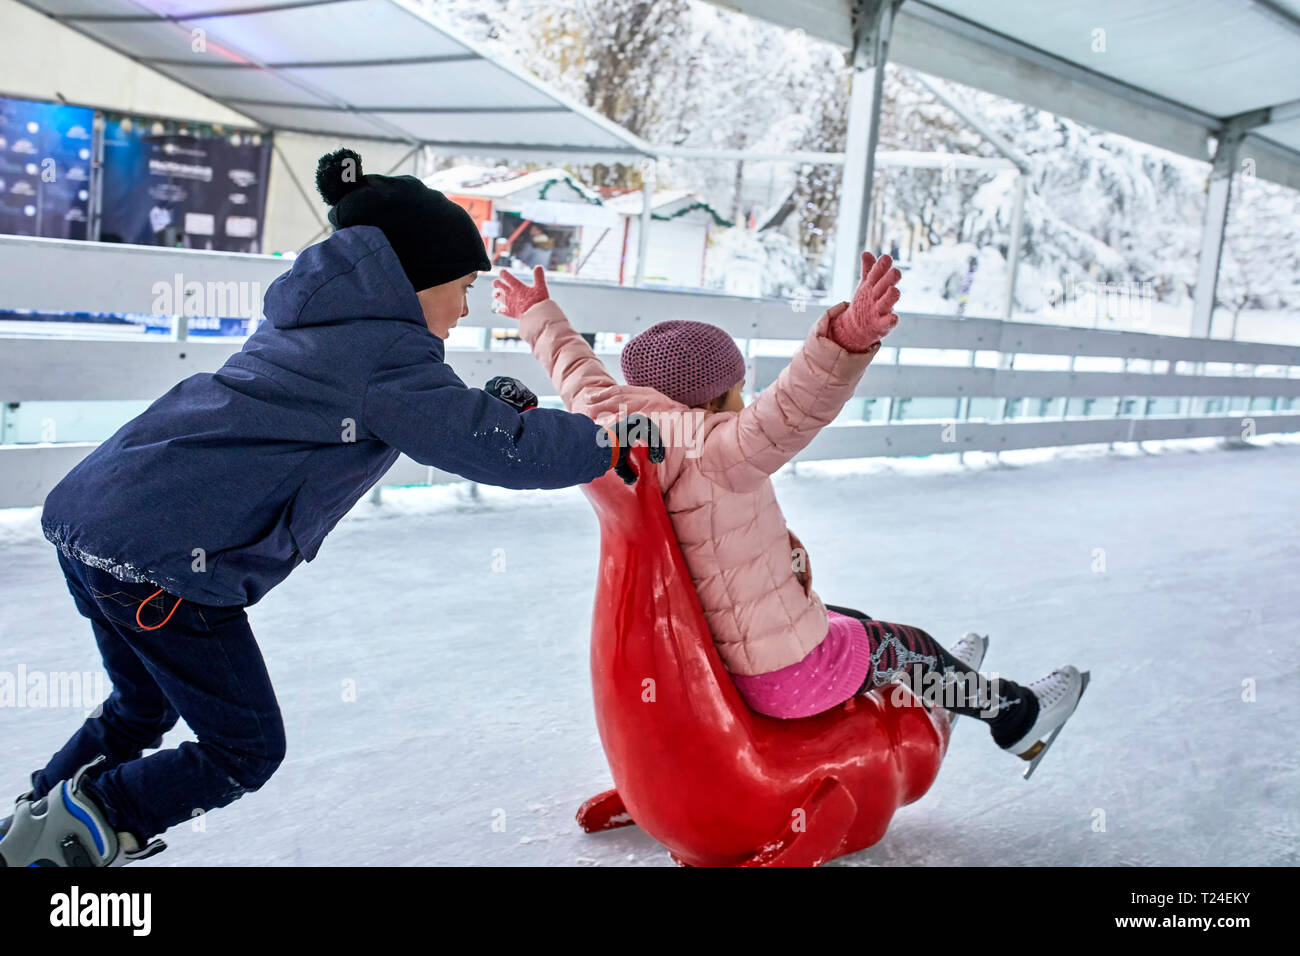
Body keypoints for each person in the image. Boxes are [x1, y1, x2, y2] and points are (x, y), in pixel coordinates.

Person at [0, 148, 658, 868]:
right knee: (243, 747)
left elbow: (409, 417)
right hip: (166, 563)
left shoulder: (315, 324)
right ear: (414, 280)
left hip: (99, 520)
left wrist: (490, 414)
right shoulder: (387, 357)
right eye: (461, 287)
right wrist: (606, 441)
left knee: (141, 709)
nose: (465, 308)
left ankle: (31, 822)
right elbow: (495, 448)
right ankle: (73, 838)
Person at [492, 255, 1085, 763]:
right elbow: (797, 404)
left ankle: (945, 681)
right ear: (723, 394)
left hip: (714, 655)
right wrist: (846, 337)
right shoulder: (719, 446)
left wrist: (535, 315)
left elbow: (575, 368)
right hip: (778, 677)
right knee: (908, 645)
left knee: (847, 616)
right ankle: (1016, 716)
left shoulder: (610, 417)